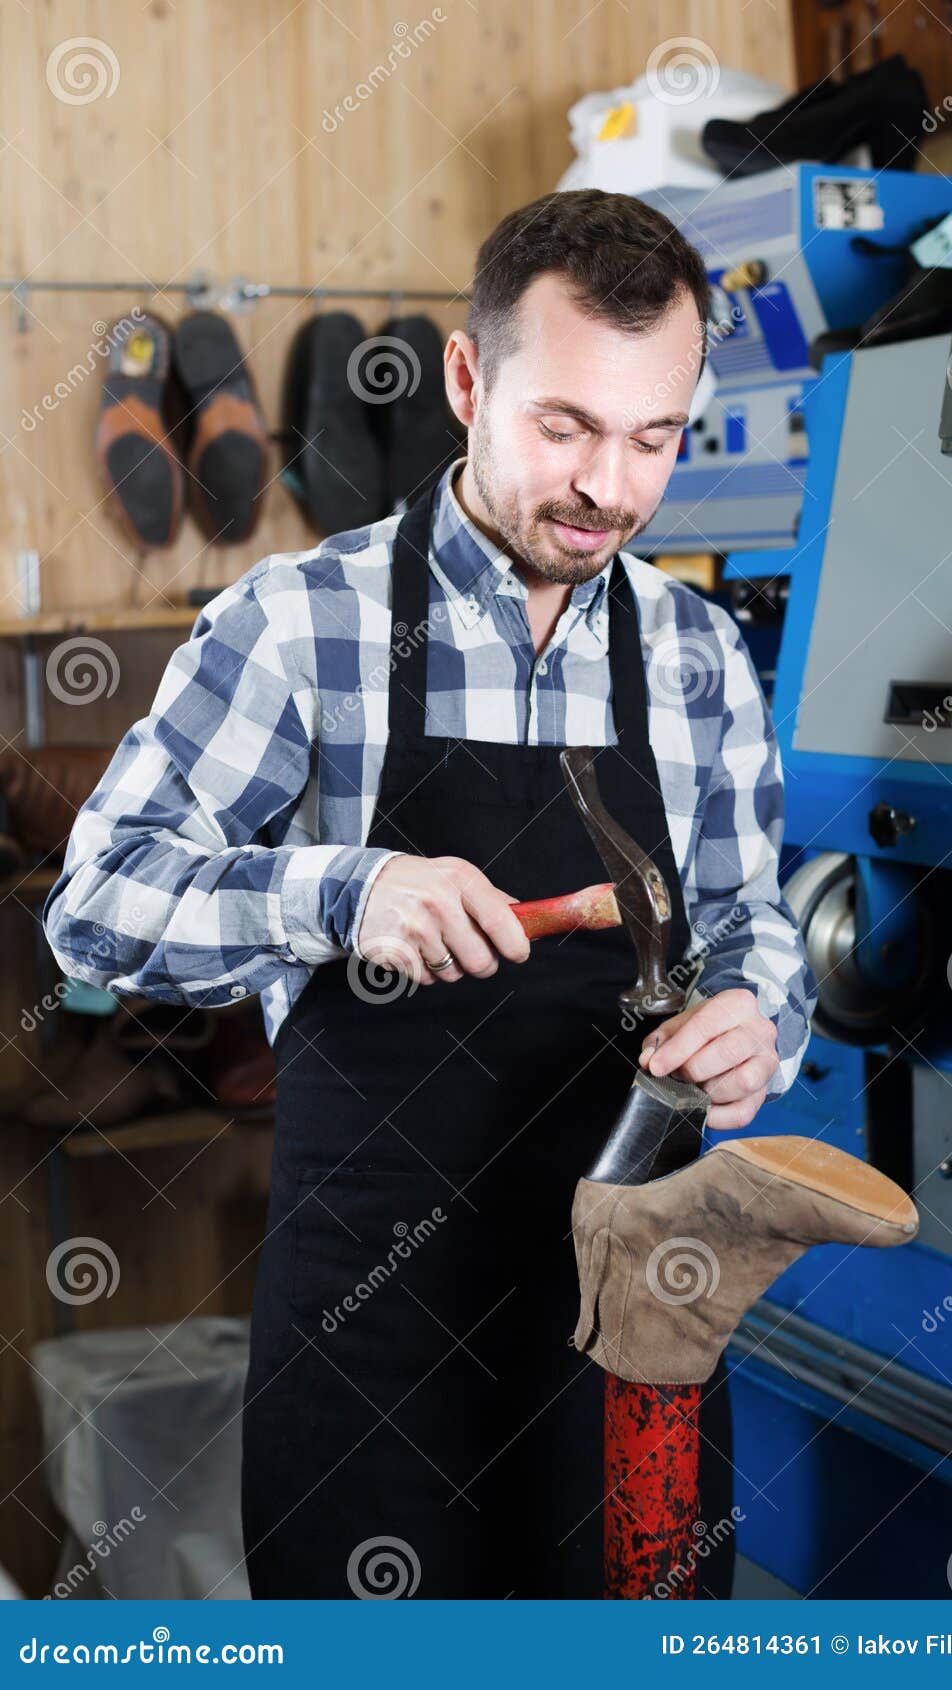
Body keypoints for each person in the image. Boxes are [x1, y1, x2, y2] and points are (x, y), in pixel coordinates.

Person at [44, 188, 817, 1600]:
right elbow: (94, 905)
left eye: (655, 438)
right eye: (566, 427)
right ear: (467, 380)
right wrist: (341, 891)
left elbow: (750, 915)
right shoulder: (300, 622)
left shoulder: (700, 654)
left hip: (634, 1308)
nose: (611, 488)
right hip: (371, 1325)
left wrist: (761, 1012)